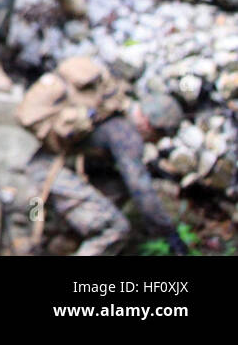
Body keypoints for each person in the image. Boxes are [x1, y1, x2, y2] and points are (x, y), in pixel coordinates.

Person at [16, 59, 186, 256]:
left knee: (115, 192)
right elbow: (141, 189)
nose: (154, 142)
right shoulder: (126, 134)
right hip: (49, 177)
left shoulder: (113, 110)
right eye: (158, 136)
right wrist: (169, 232)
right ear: (148, 125)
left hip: (44, 169)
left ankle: (56, 238)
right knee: (114, 229)